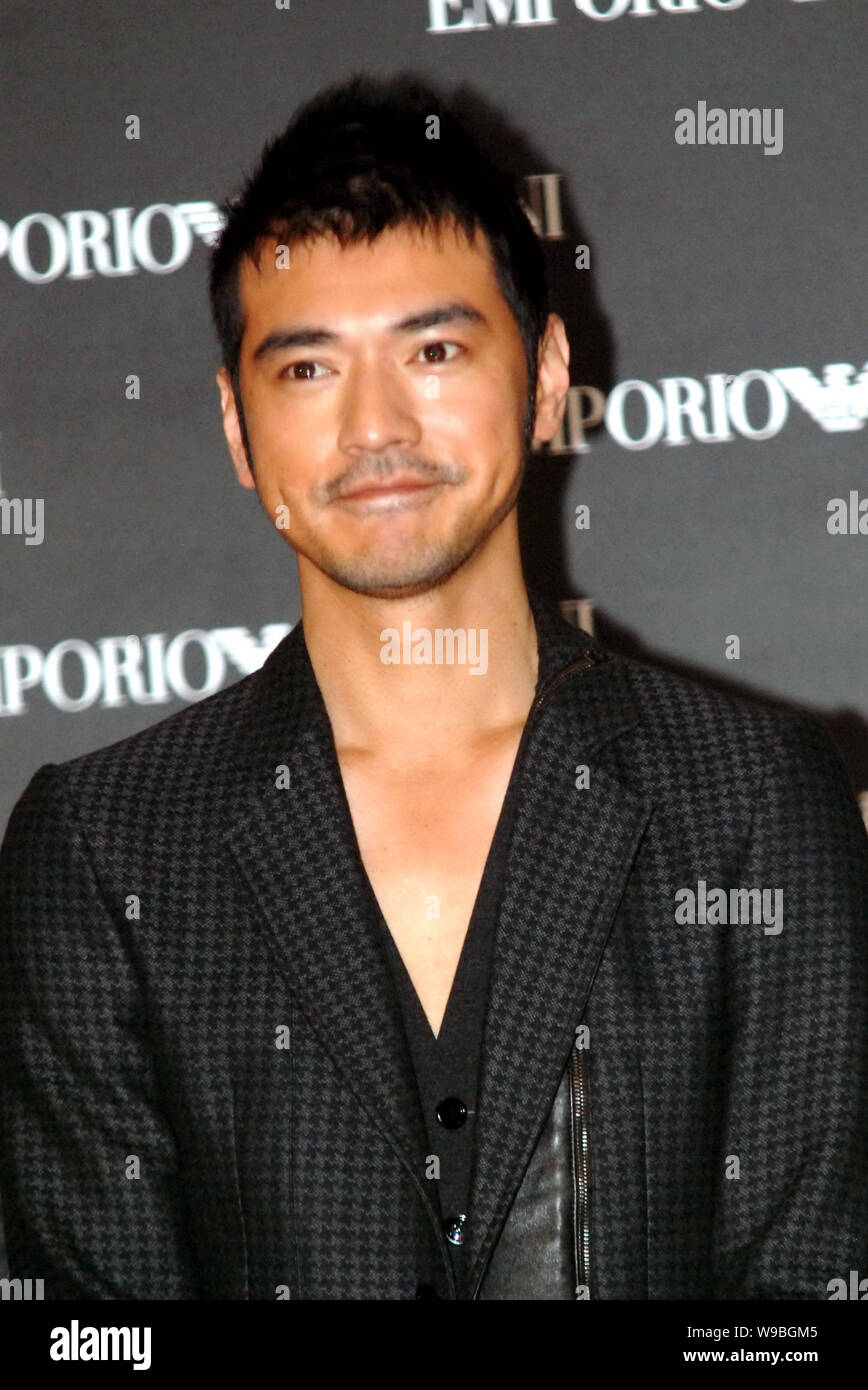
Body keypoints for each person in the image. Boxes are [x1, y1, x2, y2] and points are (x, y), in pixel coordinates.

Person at [1, 73, 866, 1301]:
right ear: (239, 430)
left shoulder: (747, 801)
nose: (374, 428)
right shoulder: (104, 851)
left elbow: (812, 1300)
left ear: (546, 367)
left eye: (436, 349)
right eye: (307, 371)